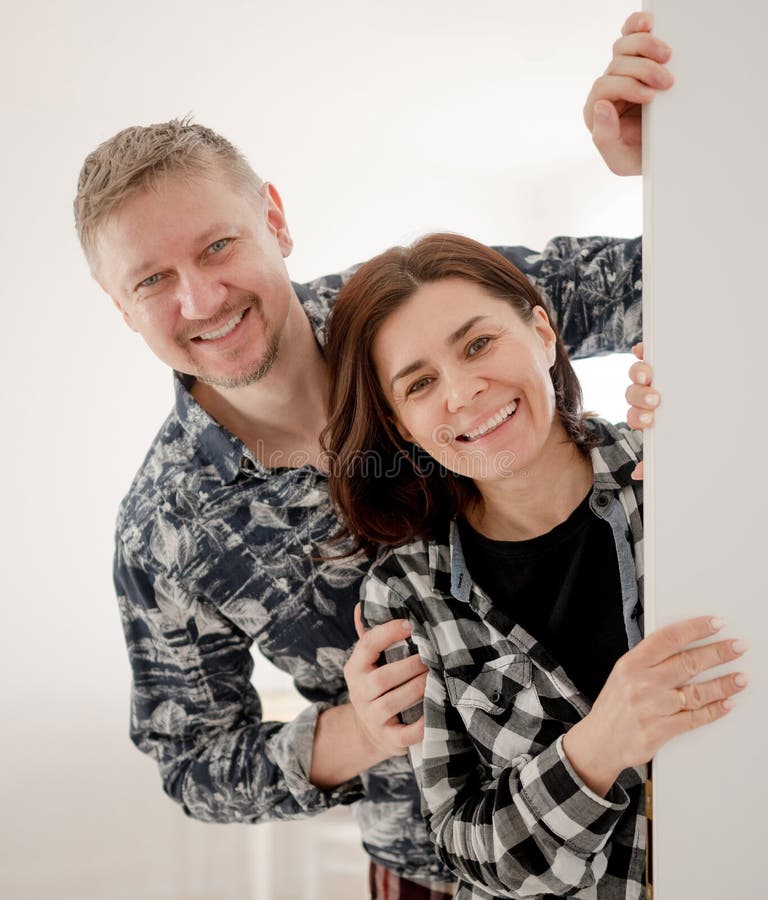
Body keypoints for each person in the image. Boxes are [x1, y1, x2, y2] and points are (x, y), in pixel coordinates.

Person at [73, 13, 669, 897]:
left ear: (273, 218)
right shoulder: (164, 531)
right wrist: (352, 731)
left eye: (217, 245)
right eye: (151, 280)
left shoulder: (413, 310)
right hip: (452, 864)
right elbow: (191, 764)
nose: (199, 297)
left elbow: (689, 283)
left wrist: (661, 163)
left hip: (677, 795)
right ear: (121, 307)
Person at [322, 232, 748, 900]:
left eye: (478, 344)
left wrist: (732, 431)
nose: (463, 392)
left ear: (543, 332)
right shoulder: (407, 595)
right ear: (402, 424)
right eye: (421, 383)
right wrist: (598, 748)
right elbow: (467, 850)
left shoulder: (673, 469)